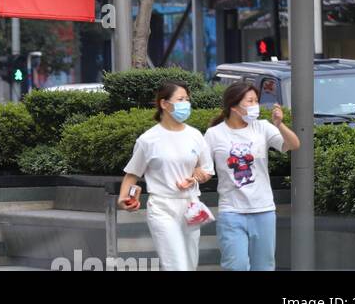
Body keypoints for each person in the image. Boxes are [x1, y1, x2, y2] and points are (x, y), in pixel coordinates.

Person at [118, 82, 214, 271]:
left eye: (187, 99)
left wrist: (196, 177)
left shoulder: (195, 135)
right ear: (164, 104)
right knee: (176, 265)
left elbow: (207, 170)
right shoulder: (148, 139)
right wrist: (123, 198)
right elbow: (132, 173)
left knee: (189, 264)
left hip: (191, 206)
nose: (185, 103)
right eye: (180, 99)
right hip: (162, 207)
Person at [205, 82, 300, 271]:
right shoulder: (214, 134)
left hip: (263, 210)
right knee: (235, 266)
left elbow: (293, 144)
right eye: (250, 101)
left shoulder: (262, 127)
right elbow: (204, 168)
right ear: (233, 106)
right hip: (231, 211)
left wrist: (280, 125)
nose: (255, 105)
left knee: (264, 266)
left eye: (256, 100)